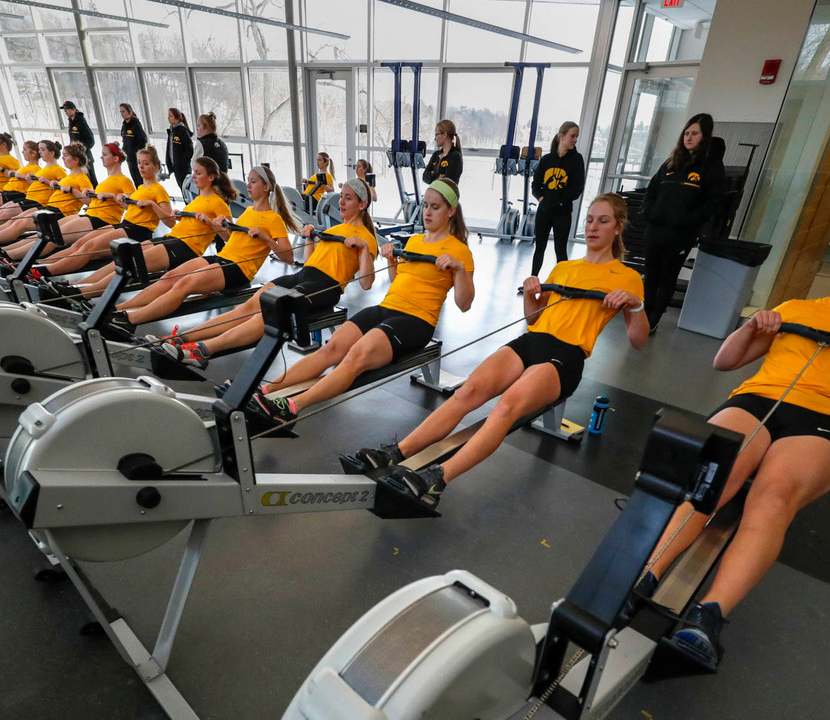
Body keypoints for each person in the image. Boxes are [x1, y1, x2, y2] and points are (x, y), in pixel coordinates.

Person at [630, 228, 830, 670]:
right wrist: (752, 325)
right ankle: (644, 576)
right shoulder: (795, 309)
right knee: (711, 476)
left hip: (825, 420)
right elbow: (726, 362)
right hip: (757, 400)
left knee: (774, 496)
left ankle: (708, 618)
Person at [343, 193, 647, 509]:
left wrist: (635, 305)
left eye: (603, 221)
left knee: (507, 406)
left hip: (567, 355)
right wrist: (532, 295)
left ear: (618, 227)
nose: (593, 227)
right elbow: (535, 320)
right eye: (589, 220)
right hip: (533, 342)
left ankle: (438, 478)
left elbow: (638, 341)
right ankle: (396, 452)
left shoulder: (627, 278)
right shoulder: (565, 268)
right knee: (467, 392)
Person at [246, 179, 471, 428]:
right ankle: (264, 391)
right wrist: (392, 262)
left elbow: (464, 304)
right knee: (330, 350)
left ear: (451, 210)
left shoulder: (460, 251)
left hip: (416, 320)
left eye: (435, 207)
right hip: (386, 308)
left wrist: (459, 269)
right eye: (426, 205)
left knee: (356, 356)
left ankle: (292, 407)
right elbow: (399, 280)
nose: (427, 212)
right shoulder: (415, 241)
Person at [160, 176, 380, 368]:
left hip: (324, 286)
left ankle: (202, 350)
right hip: (303, 276)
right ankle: (181, 339)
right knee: (247, 307)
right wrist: (308, 239)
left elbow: (366, 283)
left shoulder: (367, 238)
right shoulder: (332, 231)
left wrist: (362, 248)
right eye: (341, 196)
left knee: (265, 315)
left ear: (362, 204)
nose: (340, 202)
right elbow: (309, 261)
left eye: (348, 198)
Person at [113, 164, 295, 327]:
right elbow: (229, 239)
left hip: (239, 269)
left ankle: (131, 320)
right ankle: (118, 309)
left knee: (185, 284)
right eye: (248, 181)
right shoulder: (247, 212)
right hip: (222, 258)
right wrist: (216, 224)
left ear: (266, 187)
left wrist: (266, 239)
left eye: (253, 182)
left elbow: (289, 257)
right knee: (170, 277)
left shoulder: (274, 219)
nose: (248, 185)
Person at [69, 156, 236, 298]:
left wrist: (210, 222)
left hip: (185, 247)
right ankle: (77, 286)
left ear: (211, 177)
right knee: (124, 258)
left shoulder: (219, 203)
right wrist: (180, 216)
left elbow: (230, 238)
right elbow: (183, 224)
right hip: (171, 239)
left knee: (132, 264)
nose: (193, 176)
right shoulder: (197, 200)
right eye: (194, 172)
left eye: (198, 173)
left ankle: (83, 293)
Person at [32, 146, 177, 277]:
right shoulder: (141, 188)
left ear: (156, 167)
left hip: (137, 230)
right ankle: (39, 265)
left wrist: (152, 204)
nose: (141, 167)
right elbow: (129, 208)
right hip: (125, 225)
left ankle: (44, 272)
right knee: (80, 244)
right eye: (139, 163)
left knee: (89, 247)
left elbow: (170, 222)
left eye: (146, 163)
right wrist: (117, 198)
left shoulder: (159, 190)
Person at [642, 112, 725, 333]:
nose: (688, 137)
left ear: (704, 136)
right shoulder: (671, 163)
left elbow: (714, 202)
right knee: (650, 274)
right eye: (686, 133)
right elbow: (652, 190)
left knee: (667, 276)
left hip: (680, 234)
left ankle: (655, 317)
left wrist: (687, 221)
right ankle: (644, 313)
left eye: (694, 133)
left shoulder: (712, 167)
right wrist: (648, 213)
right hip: (655, 229)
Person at [3, 143, 130, 260]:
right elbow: (92, 201)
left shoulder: (124, 181)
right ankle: (5, 251)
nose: (101, 157)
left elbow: (129, 208)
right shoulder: (107, 180)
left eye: (105, 154)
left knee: (53, 237)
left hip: (101, 219)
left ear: (115, 159)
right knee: (45, 234)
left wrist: (74, 191)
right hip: (89, 214)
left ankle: (14, 257)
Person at [0, 142, 94, 261]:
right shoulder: (69, 177)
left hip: (60, 212)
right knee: (24, 227)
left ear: (76, 160)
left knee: (22, 225)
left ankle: (8, 255)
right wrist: (51, 183)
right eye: (63, 155)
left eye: (66, 156)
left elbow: (89, 202)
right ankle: (3, 251)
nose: (63, 158)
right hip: (50, 207)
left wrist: (72, 190)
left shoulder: (82, 178)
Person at [0, 140, 65, 247]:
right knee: (9, 220)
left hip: (38, 202)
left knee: (15, 222)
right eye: (39, 149)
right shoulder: (45, 168)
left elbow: (63, 188)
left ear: (52, 153)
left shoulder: (58, 170)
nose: (40, 152)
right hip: (30, 198)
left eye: (43, 150)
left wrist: (48, 182)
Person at [531, 121, 586, 276]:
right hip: (544, 211)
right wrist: (541, 198)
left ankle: (562, 283)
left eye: (577, 136)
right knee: (539, 247)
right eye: (572, 136)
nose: (575, 140)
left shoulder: (576, 160)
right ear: (562, 136)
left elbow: (577, 187)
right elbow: (536, 183)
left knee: (560, 249)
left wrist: (560, 201)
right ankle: (533, 278)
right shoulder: (547, 159)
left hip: (562, 213)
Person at [61, 101, 97, 182]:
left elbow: (90, 140)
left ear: (73, 109)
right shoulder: (71, 122)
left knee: (91, 180)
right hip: (77, 158)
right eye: (64, 110)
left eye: (67, 109)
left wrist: (81, 149)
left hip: (85, 158)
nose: (65, 111)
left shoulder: (81, 122)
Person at [422, 120, 462, 186]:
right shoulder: (436, 155)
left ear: (445, 135)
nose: (435, 139)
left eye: (437, 135)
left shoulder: (455, 156)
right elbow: (425, 177)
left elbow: (447, 181)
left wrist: (433, 174)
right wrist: (439, 176)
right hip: (434, 192)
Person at [165, 108, 193, 190]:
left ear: (177, 119)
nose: (168, 118)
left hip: (182, 167)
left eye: (170, 116)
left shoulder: (182, 131)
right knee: (182, 188)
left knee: (186, 189)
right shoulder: (172, 131)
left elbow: (189, 149)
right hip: (176, 166)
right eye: (168, 116)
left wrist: (183, 162)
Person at [119, 103, 148, 170]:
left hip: (137, 159)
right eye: (121, 112)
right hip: (129, 159)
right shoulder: (124, 125)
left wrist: (137, 155)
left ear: (129, 111)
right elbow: (125, 141)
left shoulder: (136, 124)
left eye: (123, 111)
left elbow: (143, 141)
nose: (122, 114)